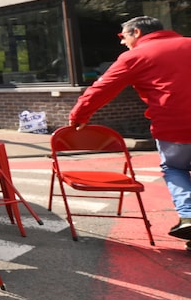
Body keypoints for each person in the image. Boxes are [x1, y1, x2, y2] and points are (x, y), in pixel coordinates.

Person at [68, 16, 191, 249]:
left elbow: (102, 88)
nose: (122, 42)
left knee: (175, 168)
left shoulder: (135, 56)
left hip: (174, 125)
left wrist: (79, 115)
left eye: (122, 36)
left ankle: (189, 215)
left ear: (136, 32)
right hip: (175, 124)